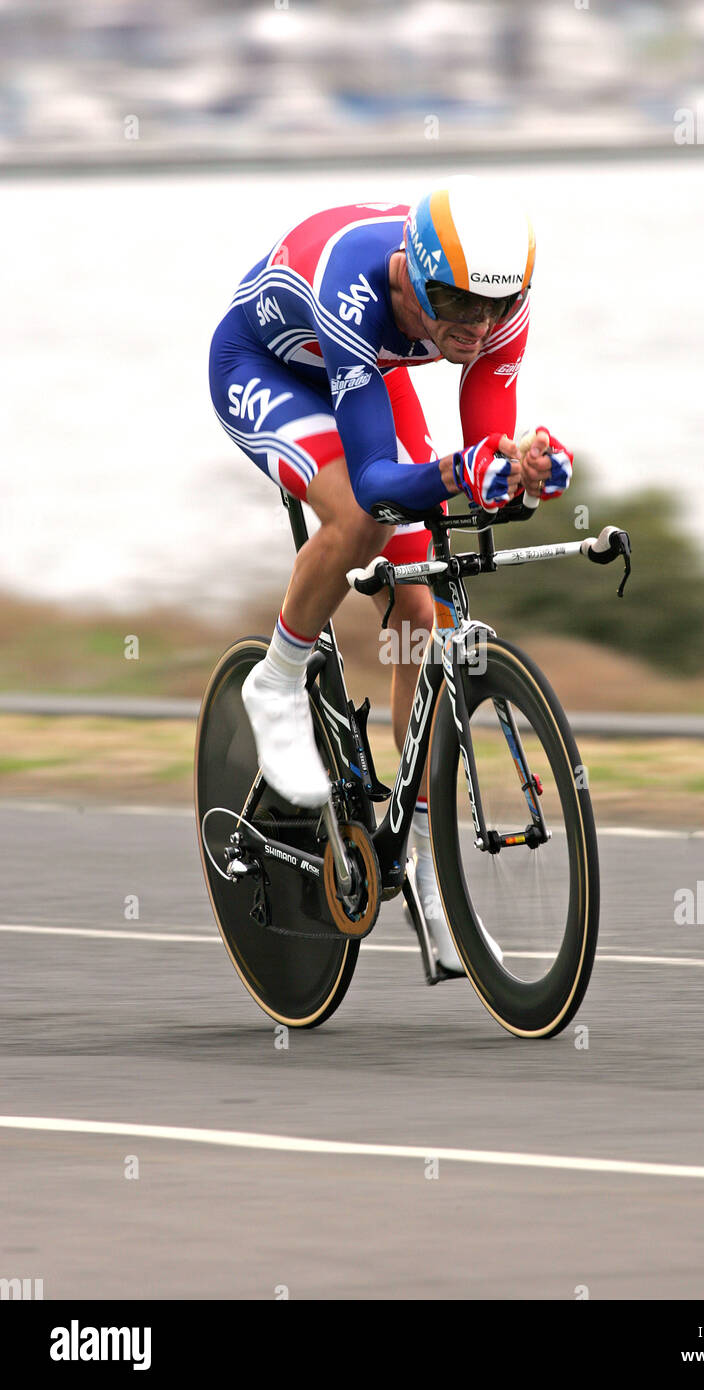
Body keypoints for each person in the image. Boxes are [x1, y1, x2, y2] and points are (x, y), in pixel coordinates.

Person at [208, 177, 573, 973]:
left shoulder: (492, 308)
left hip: (368, 370)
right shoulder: (357, 278)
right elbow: (377, 479)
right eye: (456, 306)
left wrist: (521, 472)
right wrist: (464, 471)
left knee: (426, 598)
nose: (476, 331)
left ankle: (418, 851)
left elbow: (484, 457)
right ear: (412, 273)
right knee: (362, 518)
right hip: (267, 368)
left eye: (493, 311)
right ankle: (275, 679)